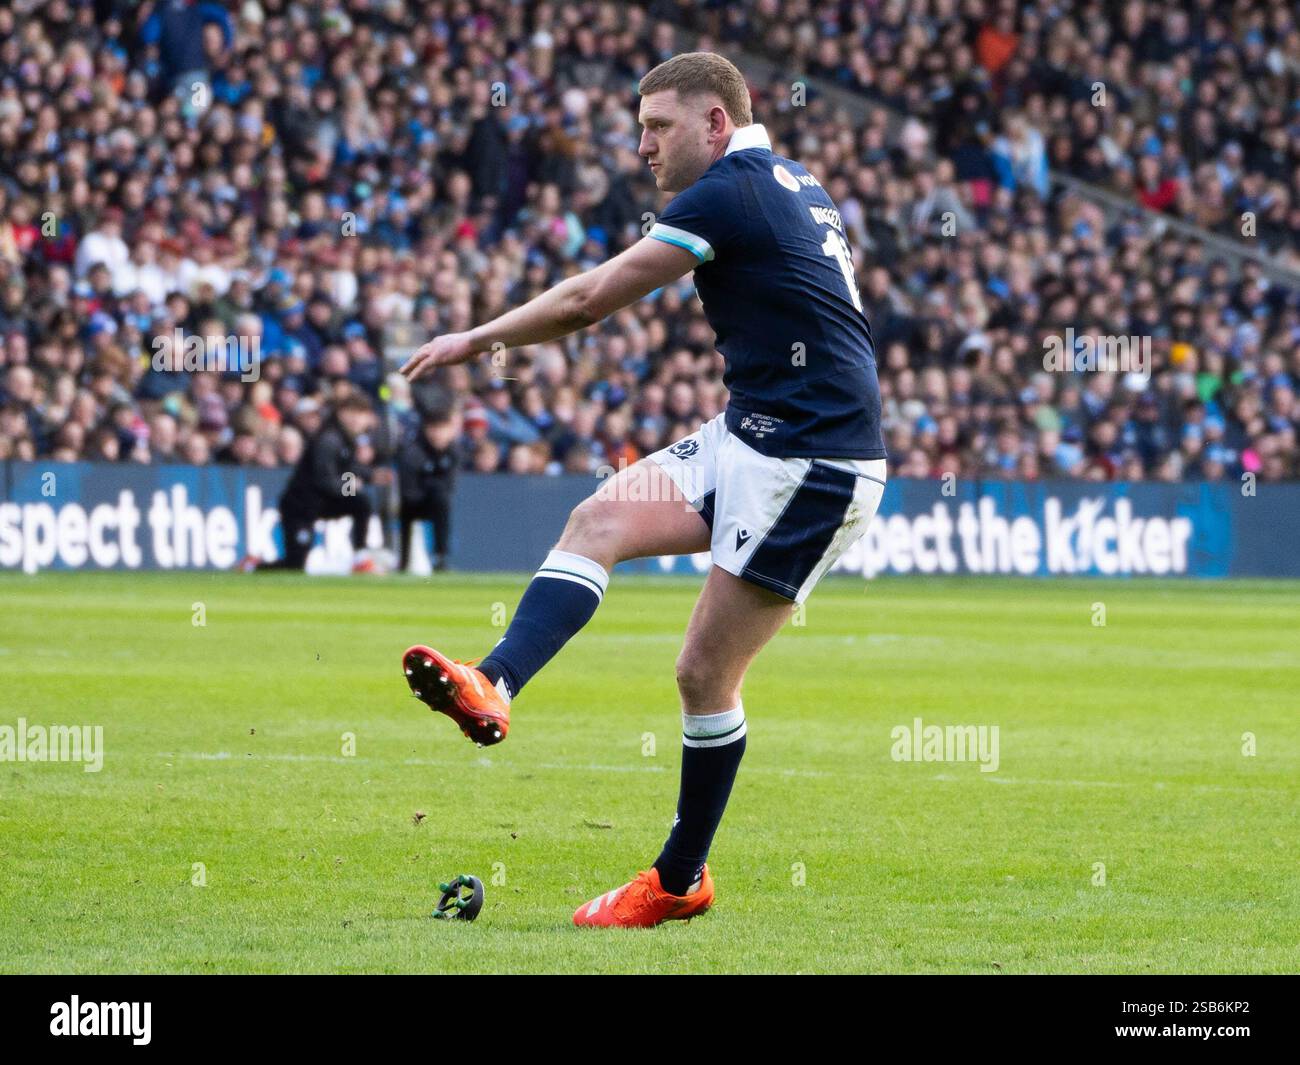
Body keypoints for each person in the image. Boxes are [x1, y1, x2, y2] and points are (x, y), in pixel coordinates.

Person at [398, 53, 887, 928]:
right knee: (597, 518)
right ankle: (495, 681)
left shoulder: (733, 187)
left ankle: (678, 877)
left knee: (704, 671)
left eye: (658, 126)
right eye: (639, 124)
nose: (641, 145)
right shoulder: (786, 178)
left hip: (815, 460)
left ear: (714, 123)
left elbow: (591, 300)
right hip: (752, 429)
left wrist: (473, 339)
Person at [250, 393, 381, 572]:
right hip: (300, 506)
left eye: (363, 414)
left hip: (321, 503)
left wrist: (371, 475)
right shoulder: (329, 439)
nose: (359, 420)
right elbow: (324, 479)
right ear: (342, 413)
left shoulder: (346, 439)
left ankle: (360, 559)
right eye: (354, 413)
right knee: (294, 566)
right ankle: (252, 566)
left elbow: (348, 469)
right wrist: (352, 485)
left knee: (360, 503)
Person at [396, 411, 459, 572]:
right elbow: (408, 491)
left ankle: (440, 556)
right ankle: (404, 561)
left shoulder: (453, 452)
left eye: (442, 429)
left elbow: (450, 484)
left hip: (437, 502)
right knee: (408, 510)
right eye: (434, 429)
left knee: (442, 500)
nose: (438, 434)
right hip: (413, 503)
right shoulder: (414, 452)